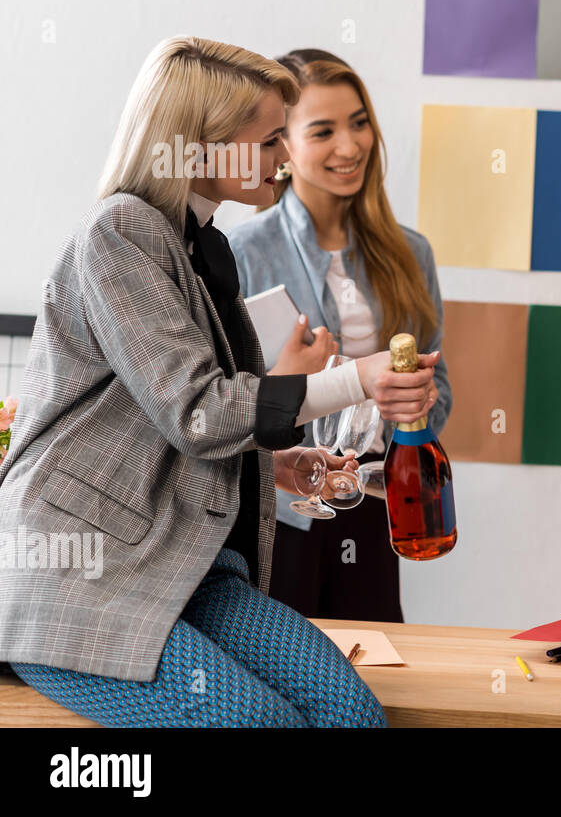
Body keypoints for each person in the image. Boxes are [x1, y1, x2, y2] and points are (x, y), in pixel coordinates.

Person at [0, 36, 440, 726]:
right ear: (200, 146)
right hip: (83, 580)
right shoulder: (118, 232)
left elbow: (195, 416)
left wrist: (281, 461)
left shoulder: (201, 245)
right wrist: (357, 378)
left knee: (354, 714)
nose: (288, 159)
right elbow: (197, 410)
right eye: (272, 141)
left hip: (185, 568)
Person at [226, 48, 451, 623]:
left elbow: (439, 388)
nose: (349, 147)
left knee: (378, 680)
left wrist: (417, 403)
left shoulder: (410, 252)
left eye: (359, 123)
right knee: (282, 683)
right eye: (323, 130)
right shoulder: (240, 252)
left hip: (376, 504)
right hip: (283, 512)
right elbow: (225, 405)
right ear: (283, 145)